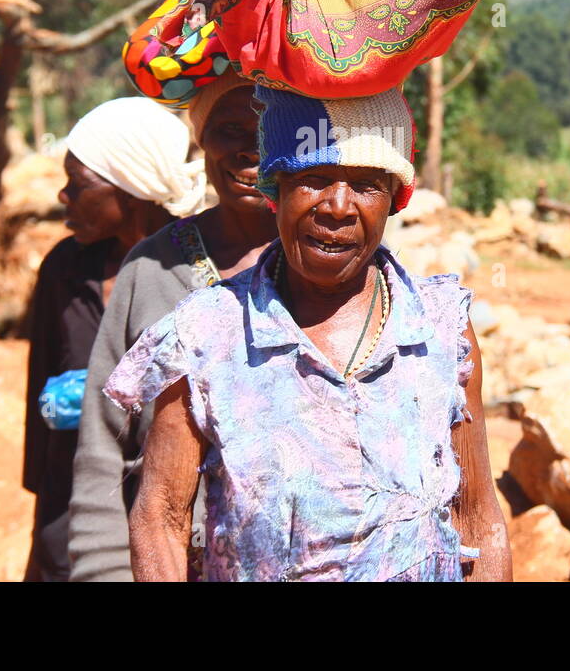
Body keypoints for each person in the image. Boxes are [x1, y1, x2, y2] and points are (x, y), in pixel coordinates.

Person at [103, 86, 512, 581]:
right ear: (275, 189)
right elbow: (161, 518)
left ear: (393, 201)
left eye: (365, 185)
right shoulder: (206, 332)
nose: (337, 206)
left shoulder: (443, 327)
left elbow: (477, 514)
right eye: (313, 179)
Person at [66, 69, 278, 581]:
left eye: (268, 131)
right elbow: (102, 445)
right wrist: (103, 571)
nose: (249, 151)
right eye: (229, 130)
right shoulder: (152, 269)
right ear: (200, 140)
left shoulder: (330, 268)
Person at [22, 97, 206, 582]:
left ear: (130, 188)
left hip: (173, 514)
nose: (64, 197)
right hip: (76, 499)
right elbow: (38, 382)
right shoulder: (66, 269)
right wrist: (43, 529)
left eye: (78, 185)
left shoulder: (198, 273)